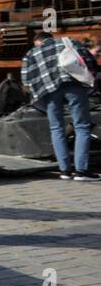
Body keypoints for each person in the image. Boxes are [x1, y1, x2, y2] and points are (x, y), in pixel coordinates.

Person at [20, 29, 99, 181]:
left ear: (39, 41)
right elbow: (89, 61)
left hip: (49, 91)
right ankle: (82, 172)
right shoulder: (69, 41)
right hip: (74, 86)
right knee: (81, 126)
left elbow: (26, 79)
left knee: (56, 128)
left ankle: (64, 171)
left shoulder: (32, 53)